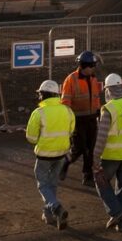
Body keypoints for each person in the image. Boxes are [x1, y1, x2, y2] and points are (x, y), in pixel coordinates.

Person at [24, 79, 74, 230]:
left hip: (44, 155)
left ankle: (56, 207)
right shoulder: (67, 111)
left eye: (40, 94)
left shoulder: (38, 113)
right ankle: (49, 214)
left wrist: (42, 138)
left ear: (44, 95)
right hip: (61, 154)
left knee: (43, 185)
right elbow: (71, 131)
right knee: (52, 184)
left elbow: (31, 138)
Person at [93, 72, 122, 231]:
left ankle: (116, 212)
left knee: (101, 182)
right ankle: (121, 223)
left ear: (108, 90)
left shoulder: (109, 109)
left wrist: (95, 158)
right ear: (121, 87)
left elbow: (101, 137)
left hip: (111, 156)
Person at [60, 50, 105, 186]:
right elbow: (65, 102)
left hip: (91, 119)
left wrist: (98, 111)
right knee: (78, 149)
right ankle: (64, 163)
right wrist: (68, 120)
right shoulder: (71, 80)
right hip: (77, 120)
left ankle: (87, 176)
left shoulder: (93, 78)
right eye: (91, 66)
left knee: (90, 149)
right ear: (83, 65)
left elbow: (96, 97)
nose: (93, 69)